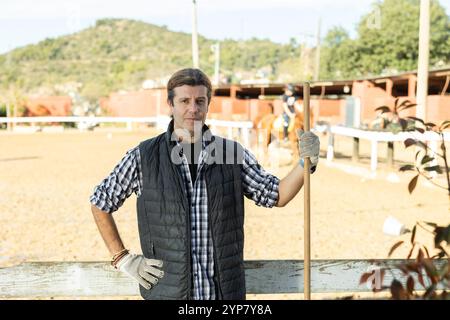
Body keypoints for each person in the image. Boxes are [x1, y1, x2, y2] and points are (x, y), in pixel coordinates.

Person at [90, 68, 320, 300]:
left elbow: (276, 195)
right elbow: (100, 202)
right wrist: (122, 258)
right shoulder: (143, 156)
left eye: (200, 101)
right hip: (167, 295)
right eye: (184, 101)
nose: (193, 108)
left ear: (208, 104)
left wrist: (305, 163)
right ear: (170, 104)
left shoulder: (233, 154)